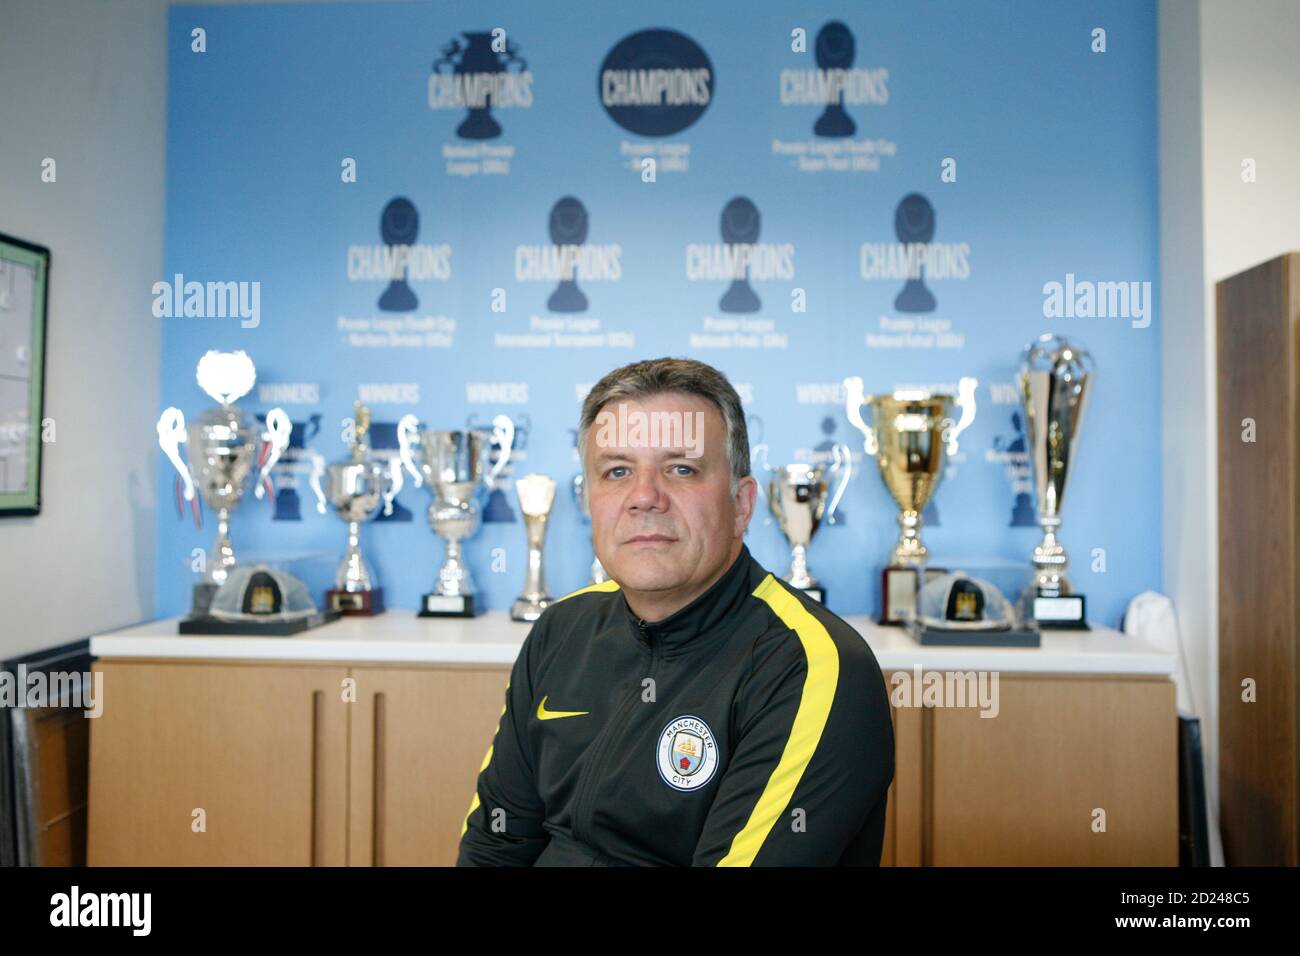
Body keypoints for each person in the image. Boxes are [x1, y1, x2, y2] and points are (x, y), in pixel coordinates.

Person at [456, 357, 894, 866]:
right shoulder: (561, 628)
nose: (644, 497)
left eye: (681, 468)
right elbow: (496, 843)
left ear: (742, 503)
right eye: (617, 471)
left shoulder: (810, 666)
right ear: (590, 499)